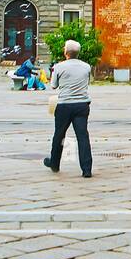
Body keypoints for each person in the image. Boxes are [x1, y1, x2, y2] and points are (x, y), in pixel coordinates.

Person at [43, 39, 92, 178]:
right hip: (82, 105)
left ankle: (54, 163)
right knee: (82, 136)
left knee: (59, 135)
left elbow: (53, 86)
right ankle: (86, 169)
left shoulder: (59, 67)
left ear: (66, 52)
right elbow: (87, 82)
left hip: (64, 105)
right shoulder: (87, 66)